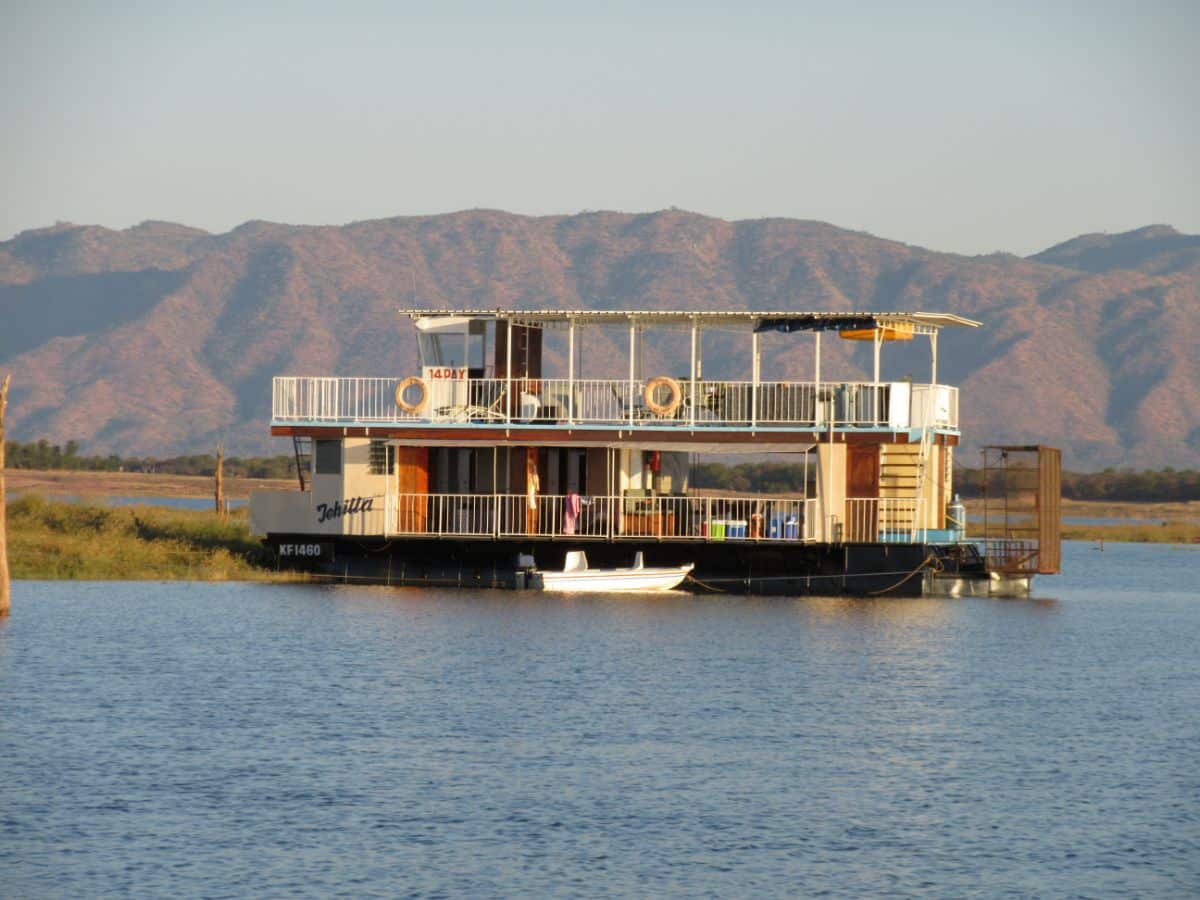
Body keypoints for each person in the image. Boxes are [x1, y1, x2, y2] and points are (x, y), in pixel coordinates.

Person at [526, 450, 540, 534]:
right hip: (531, 486)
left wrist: (537, 485)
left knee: (532, 504)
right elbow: (535, 476)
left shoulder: (532, 465)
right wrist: (537, 486)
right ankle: (531, 529)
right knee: (532, 504)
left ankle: (533, 528)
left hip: (531, 485)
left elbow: (535, 476)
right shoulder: (531, 464)